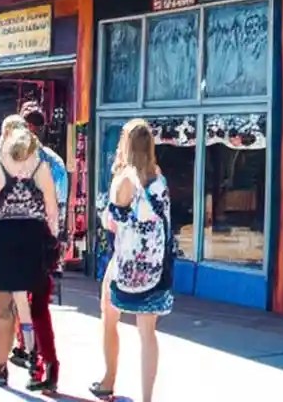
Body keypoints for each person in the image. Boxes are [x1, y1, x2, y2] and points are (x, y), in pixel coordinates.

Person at [0, 117, 58, 388]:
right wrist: (54, 241)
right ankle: (34, 362)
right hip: (32, 240)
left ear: (5, 134)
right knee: (32, 305)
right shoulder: (40, 165)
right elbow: (51, 208)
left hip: (1, 240)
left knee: (3, 307)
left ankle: (0, 367)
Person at [90, 119, 173, 402]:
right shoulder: (159, 180)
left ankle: (108, 379)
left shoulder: (124, 179)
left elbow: (110, 223)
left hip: (124, 266)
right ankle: (147, 397)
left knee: (109, 318)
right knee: (148, 333)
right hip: (153, 268)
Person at [8, 103, 68, 391]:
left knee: (23, 302)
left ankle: (32, 357)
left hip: (24, 240)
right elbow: (63, 210)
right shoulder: (55, 163)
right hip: (48, 242)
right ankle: (47, 363)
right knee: (39, 306)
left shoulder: (19, 160)